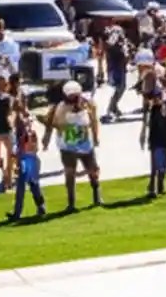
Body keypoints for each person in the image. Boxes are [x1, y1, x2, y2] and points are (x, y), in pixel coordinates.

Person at [42, 80, 103, 210]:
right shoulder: (60, 107)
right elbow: (52, 124)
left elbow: (94, 120)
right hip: (67, 146)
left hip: (85, 143)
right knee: (70, 173)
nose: (74, 99)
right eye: (71, 96)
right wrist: (48, 138)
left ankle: (97, 196)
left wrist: (96, 136)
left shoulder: (88, 103)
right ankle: (71, 203)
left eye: (76, 95)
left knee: (93, 170)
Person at [7, 97, 45, 221]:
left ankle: (17, 213)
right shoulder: (27, 118)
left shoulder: (21, 120)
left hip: (26, 156)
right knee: (33, 183)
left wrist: (16, 153)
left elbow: (21, 139)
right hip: (31, 156)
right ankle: (40, 206)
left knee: (22, 185)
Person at [140, 89, 166, 197]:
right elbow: (147, 123)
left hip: (165, 140)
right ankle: (152, 187)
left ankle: (161, 185)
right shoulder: (152, 110)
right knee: (154, 166)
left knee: (163, 166)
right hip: (155, 140)